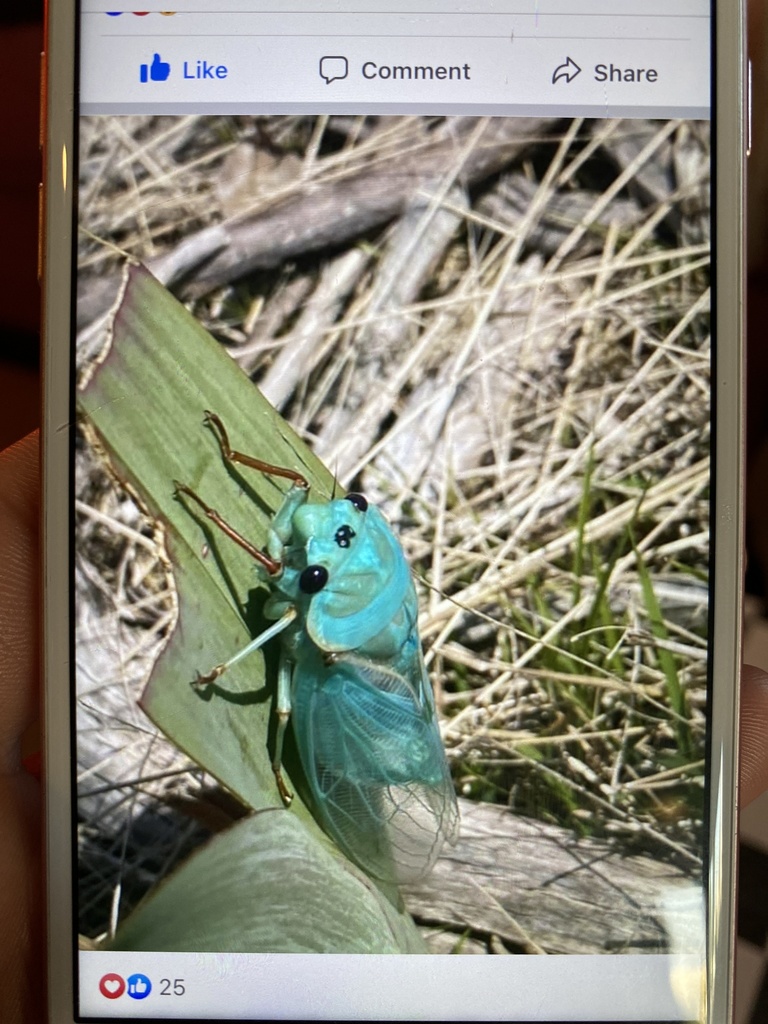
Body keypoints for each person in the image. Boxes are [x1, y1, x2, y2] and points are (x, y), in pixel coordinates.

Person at [1, 431, 767, 1023]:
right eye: (347, 513)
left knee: (288, 694)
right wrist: (255, 480)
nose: (326, 521)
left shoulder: (319, 627)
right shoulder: (350, 541)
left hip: (360, 710)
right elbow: (315, 538)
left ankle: (305, 785)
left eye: (317, 570)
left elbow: (283, 617)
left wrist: (255, 573)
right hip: (379, 659)